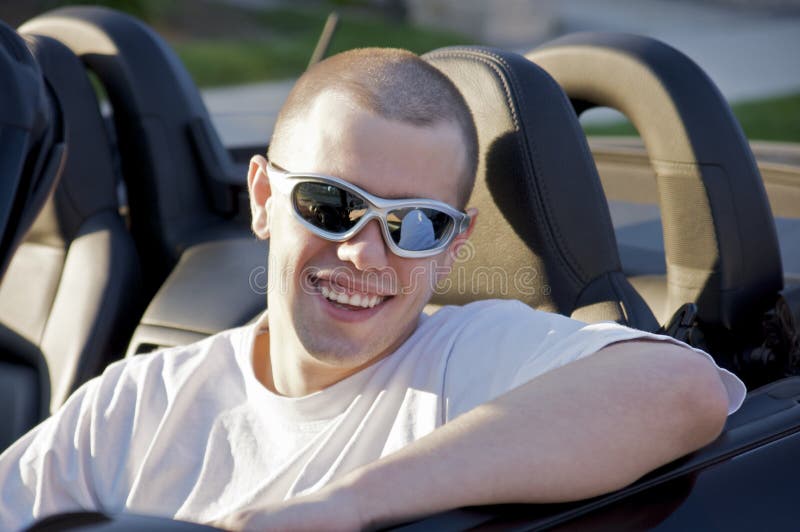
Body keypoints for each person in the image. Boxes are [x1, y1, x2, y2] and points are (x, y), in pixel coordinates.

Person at [0, 48, 744, 531]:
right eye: (330, 204)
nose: (364, 253)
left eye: (416, 225)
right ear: (261, 198)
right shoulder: (131, 404)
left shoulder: (469, 360)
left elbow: (684, 389)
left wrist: (346, 505)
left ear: (455, 245)